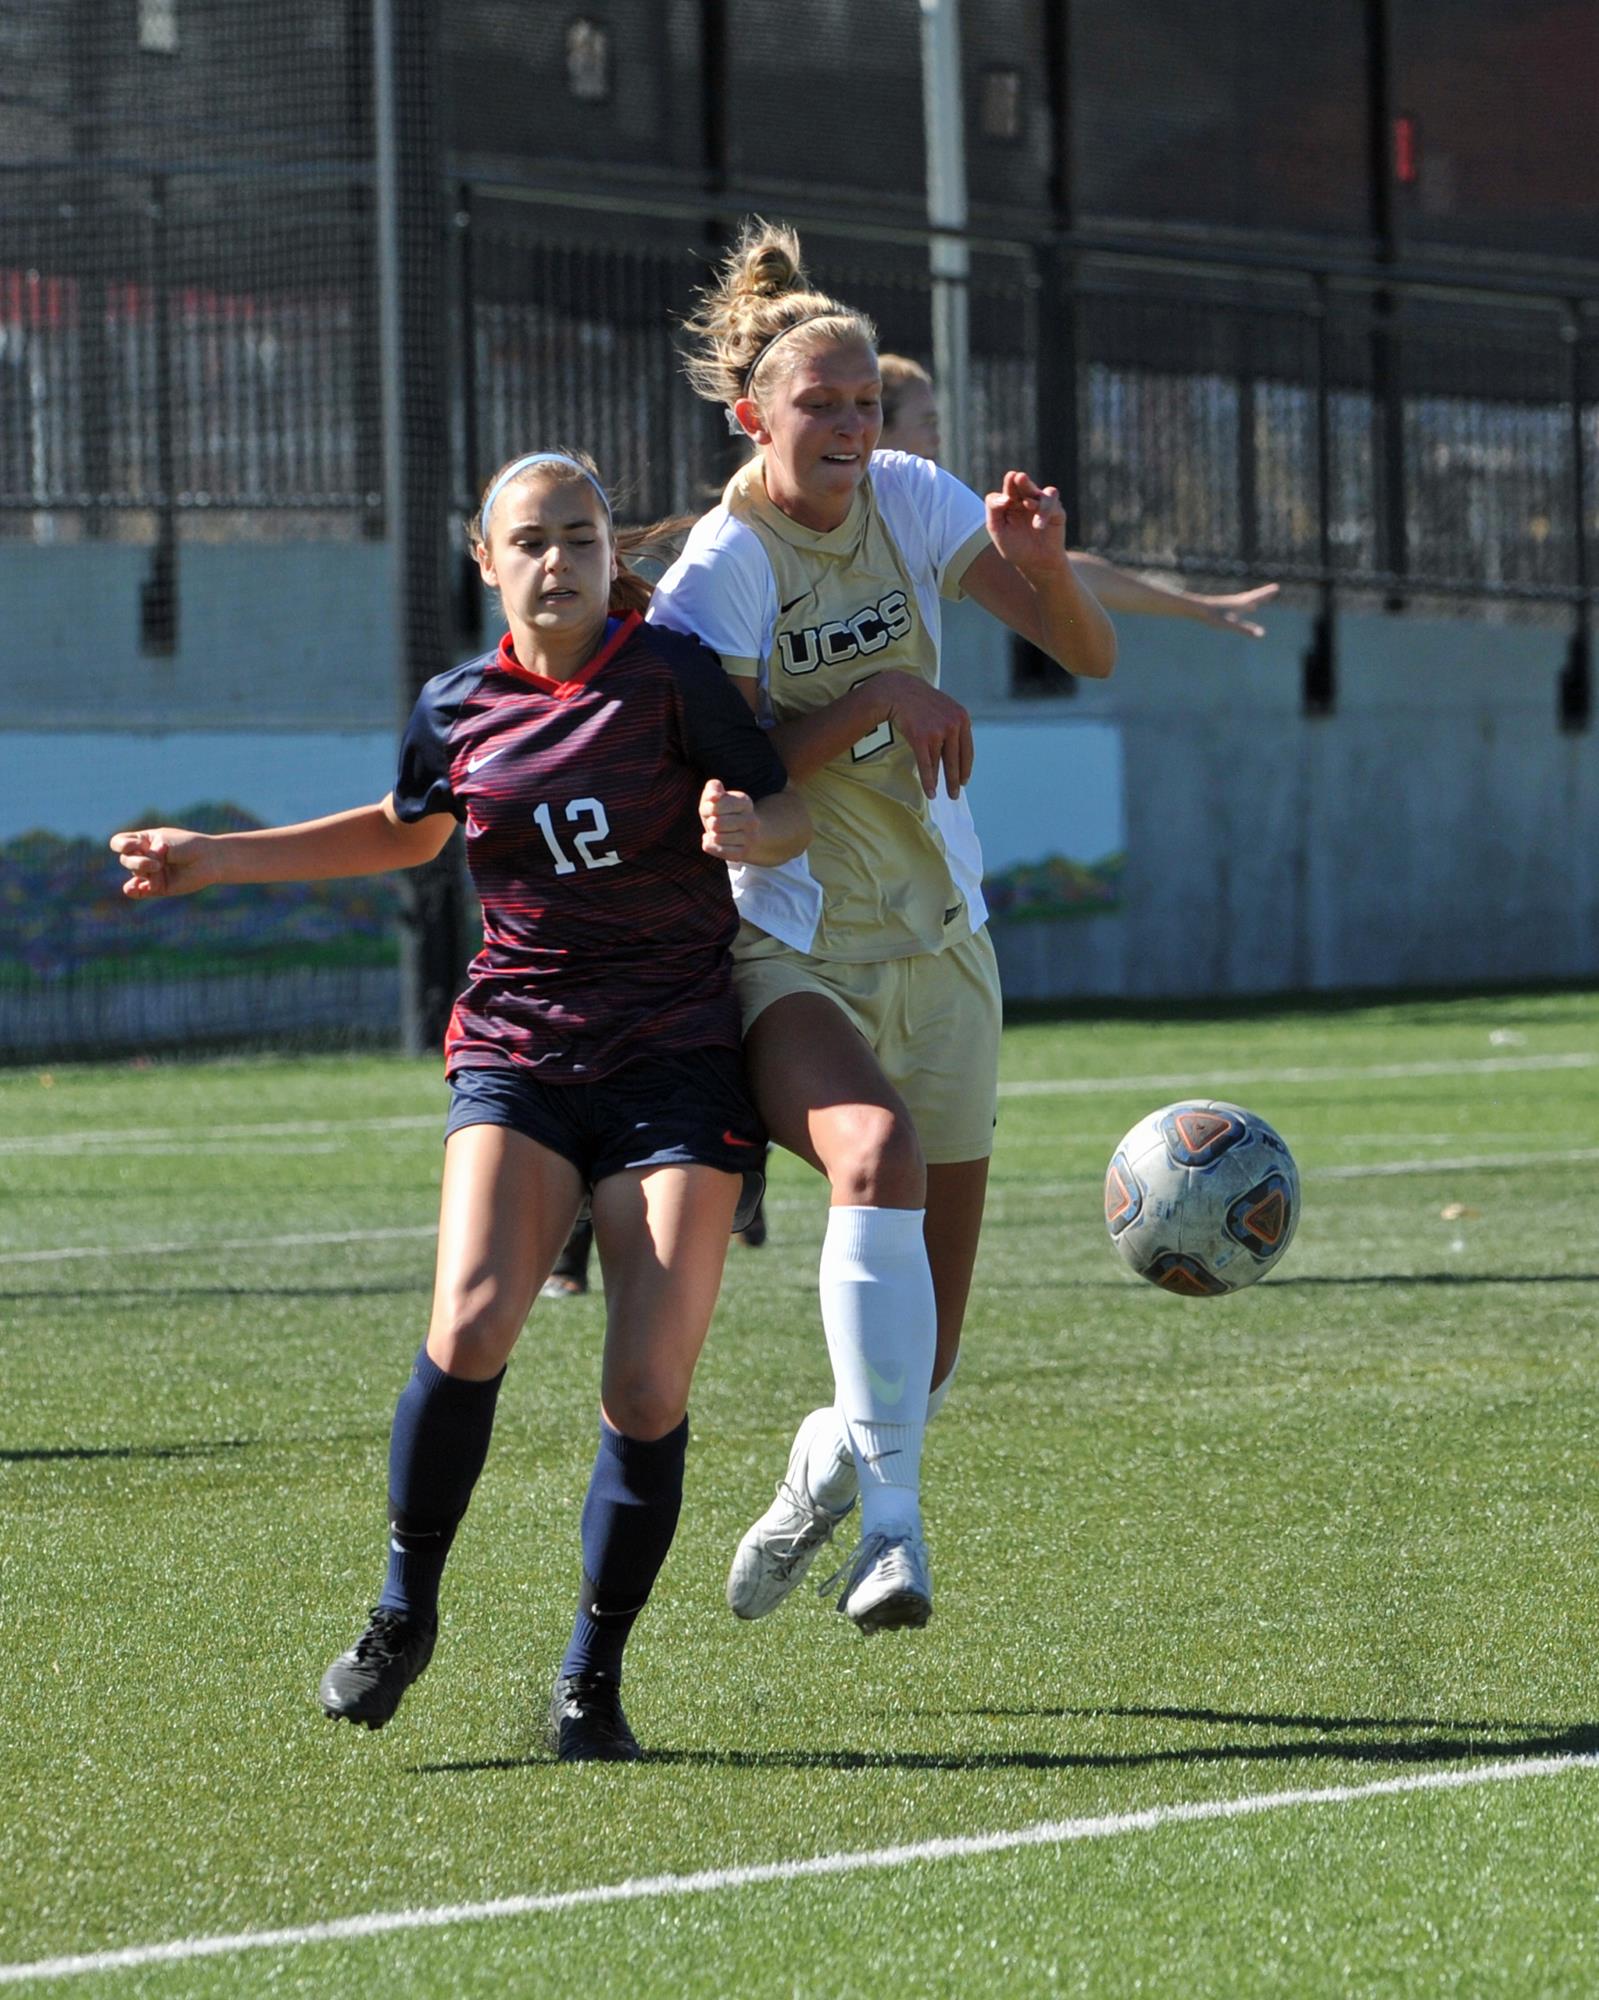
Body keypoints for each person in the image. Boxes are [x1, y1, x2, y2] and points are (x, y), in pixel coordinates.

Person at [109, 448, 809, 1760]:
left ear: (611, 555)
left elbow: (775, 798)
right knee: (475, 1316)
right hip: (520, 1051)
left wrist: (756, 831)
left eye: (583, 538)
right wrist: (220, 860)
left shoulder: (668, 679)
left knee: (646, 1385)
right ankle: (399, 1614)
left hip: (672, 1062)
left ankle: (590, 1677)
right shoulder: (455, 704)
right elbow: (406, 827)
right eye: (533, 540)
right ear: (483, 561)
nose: (561, 561)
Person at [643, 220, 1117, 1636]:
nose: (850, 427)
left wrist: (1045, 569)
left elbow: (1081, 655)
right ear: (753, 416)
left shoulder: (909, 496)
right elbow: (732, 778)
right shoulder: (720, 570)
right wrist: (874, 701)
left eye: (863, 403)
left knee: (931, 1355)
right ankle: (892, 1539)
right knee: (872, 1154)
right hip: (789, 949)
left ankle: (817, 1478)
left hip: (942, 944)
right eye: (820, 406)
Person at [876, 353, 1281, 638]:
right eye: (927, 422)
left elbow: (1066, 572)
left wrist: (1198, 607)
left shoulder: (928, 508)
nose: (938, 438)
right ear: (877, 424)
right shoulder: (835, 513)